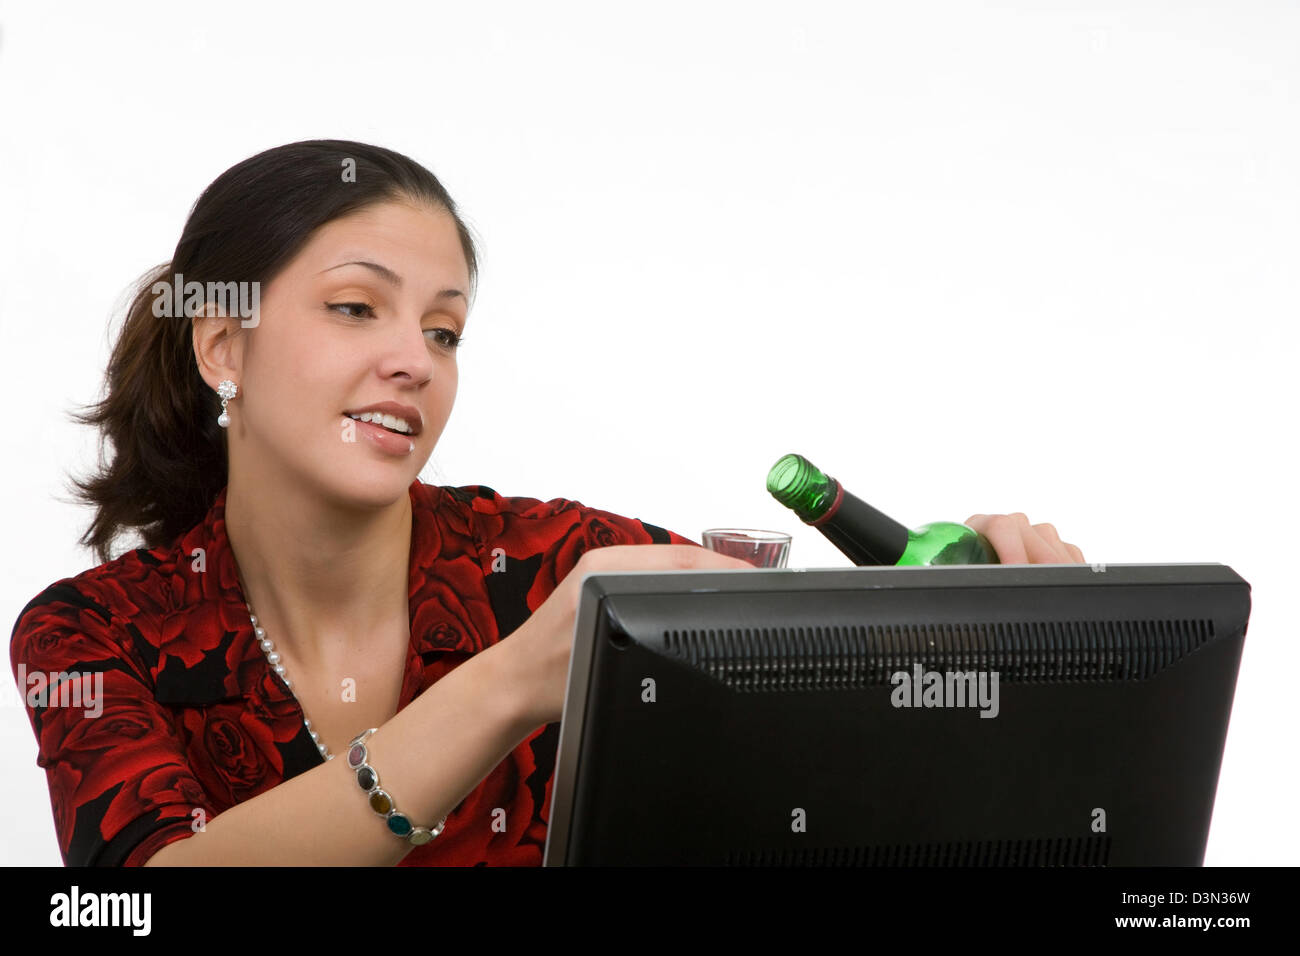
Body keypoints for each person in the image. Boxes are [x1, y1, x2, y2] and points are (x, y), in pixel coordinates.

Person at [9, 140, 1087, 867]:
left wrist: (983, 637)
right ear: (222, 343)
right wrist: (512, 681)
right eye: (354, 307)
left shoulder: (557, 557)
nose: (414, 361)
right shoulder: (90, 633)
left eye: (443, 330)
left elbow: (825, 707)